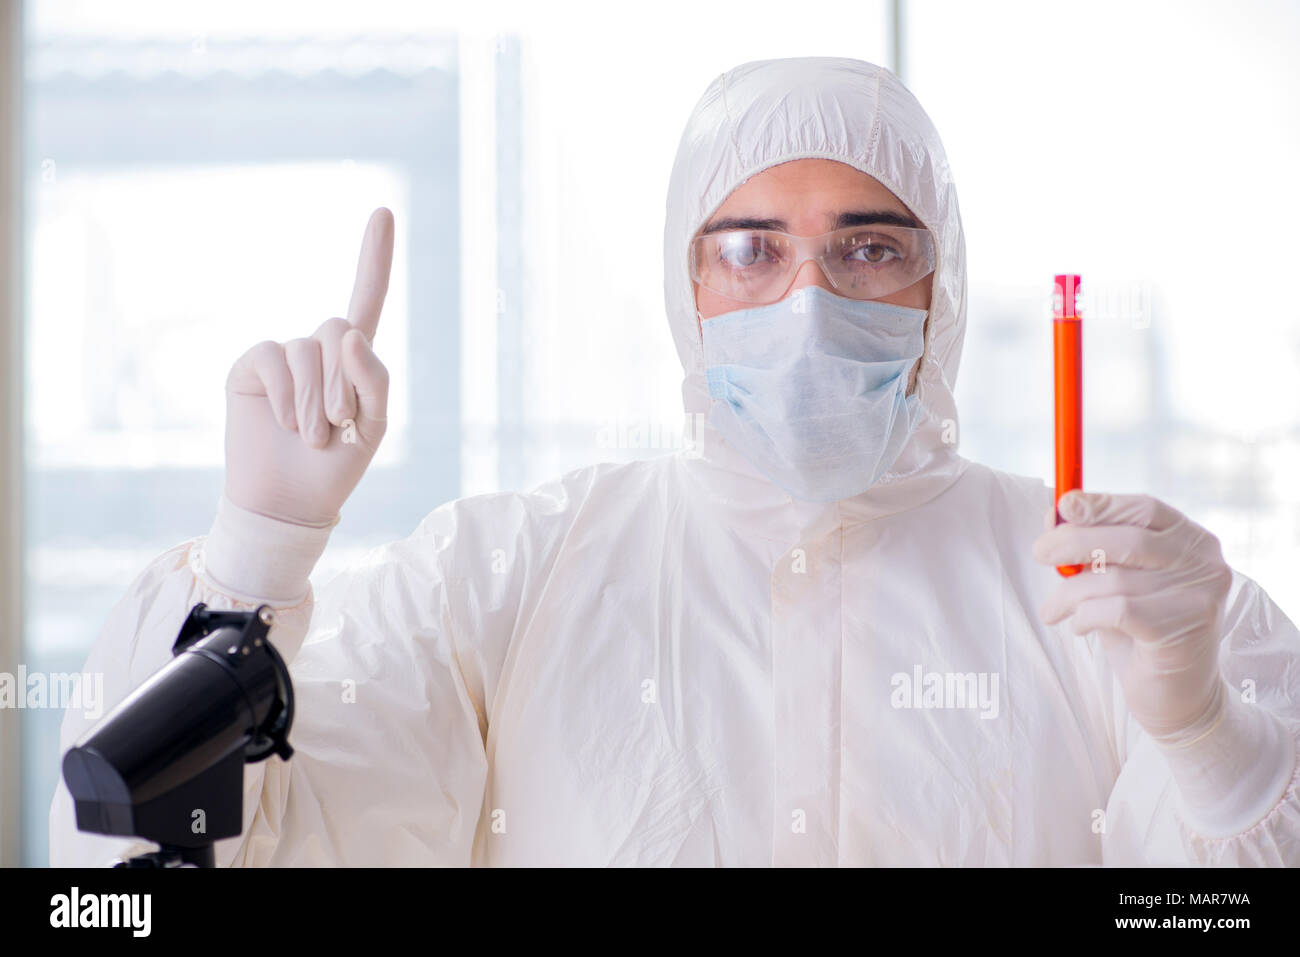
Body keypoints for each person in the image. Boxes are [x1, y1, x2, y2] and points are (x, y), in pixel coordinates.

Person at [50, 56, 1300, 867]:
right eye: (750, 252)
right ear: (685, 285)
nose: (807, 300)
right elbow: (153, 867)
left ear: (942, 288)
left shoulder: (1114, 597)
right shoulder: (514, 574)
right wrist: (252, 560)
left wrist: (1198, 725)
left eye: (867, 250)